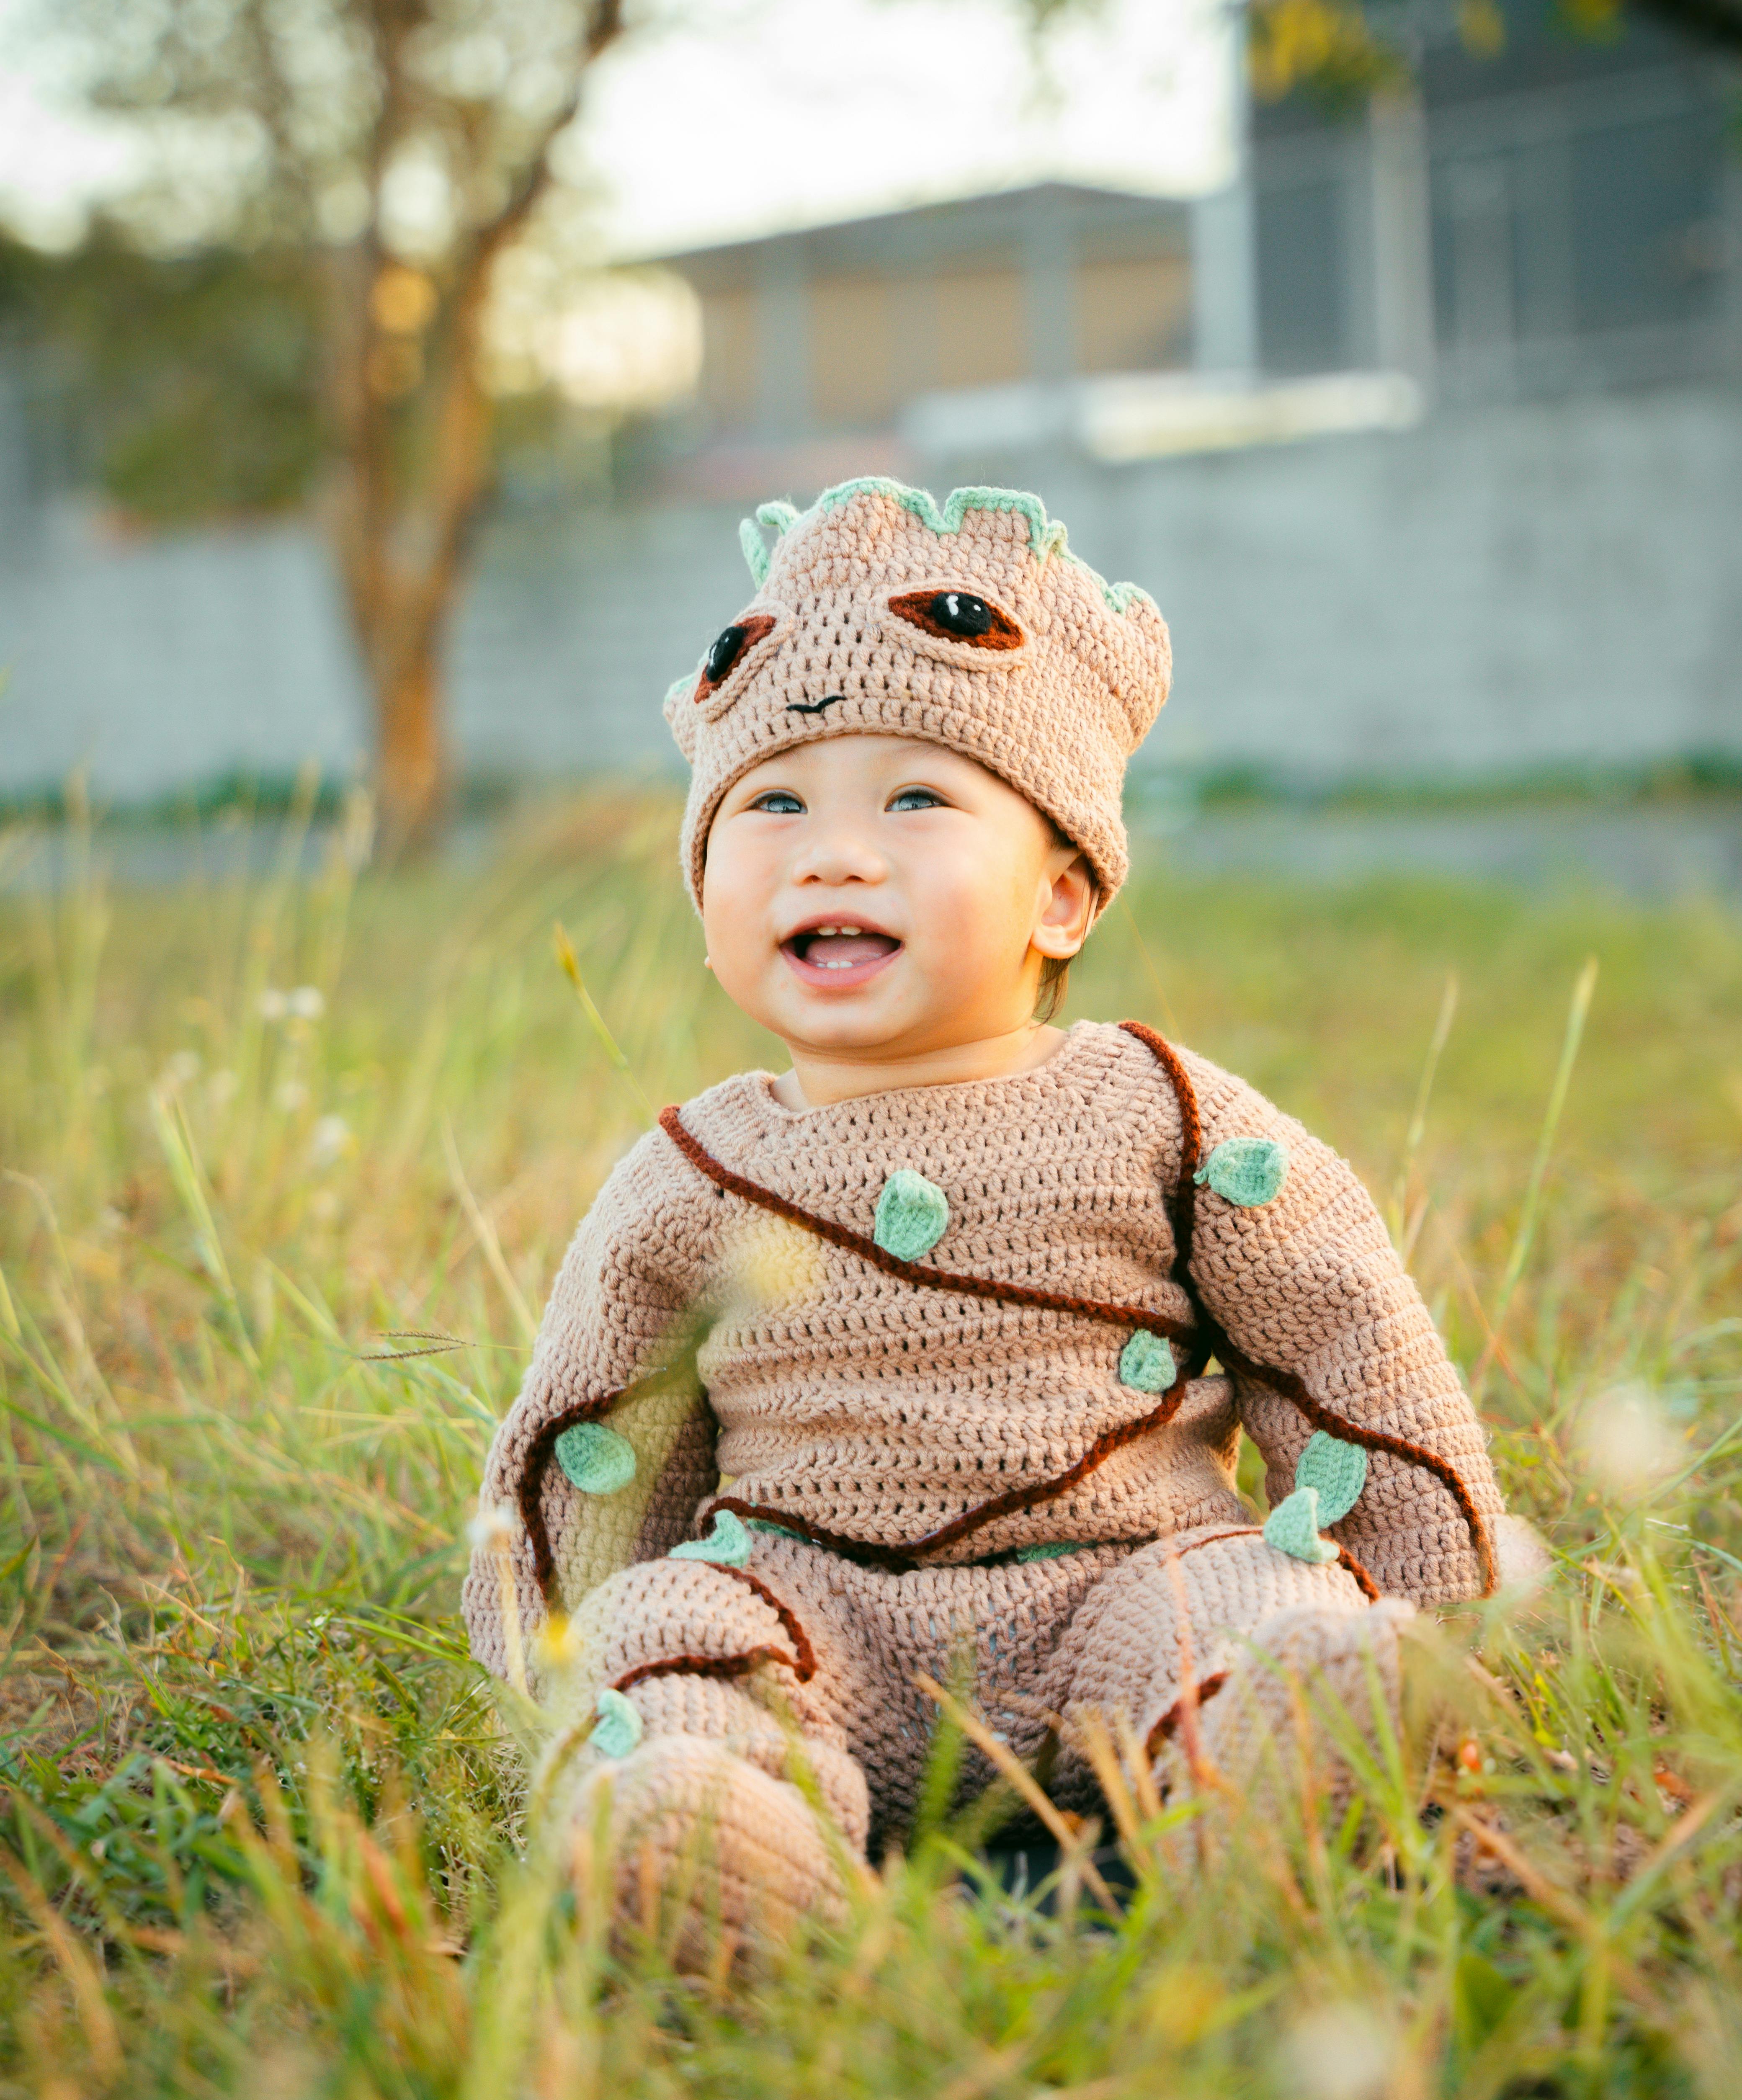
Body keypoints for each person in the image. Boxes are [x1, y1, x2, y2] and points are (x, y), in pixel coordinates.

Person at [463, 477, 1541, 1949]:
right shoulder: (694, 1171)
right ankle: (720, 1839)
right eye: (770, 805)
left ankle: (1268, 1775)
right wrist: (562, 1639)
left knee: (1268, 1612)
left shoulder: (1163, 1113)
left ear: (1062, 899)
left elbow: (1339, 1334)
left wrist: (1427, 1580)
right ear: (706, 883)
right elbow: (597, 1419)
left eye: (915, 800)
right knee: (667, 1643)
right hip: (808, 1607)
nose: (832, 852)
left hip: (1134, 1582)